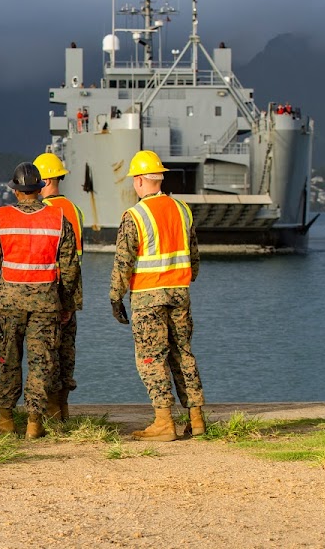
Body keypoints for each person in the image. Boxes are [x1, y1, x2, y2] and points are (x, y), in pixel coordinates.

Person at [0, 163, 80, 438]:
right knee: (41, 363)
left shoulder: (0, 219)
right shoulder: (59, 220)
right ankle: (35, 422)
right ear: (40, 188)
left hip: (8, 303)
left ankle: (6, 419)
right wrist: (68, 305)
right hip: (46, 304)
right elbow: (70, 269)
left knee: (8, 360)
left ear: (16, 191)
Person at [110, 150, 206, 442]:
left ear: (139, 181)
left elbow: (123, 261)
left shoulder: (135, 215)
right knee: (183, 353)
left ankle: (164, 421)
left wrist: (116, 296)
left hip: (147, 298)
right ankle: (197, 418)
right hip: (180, 293)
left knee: (151, 358)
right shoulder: (182, 209)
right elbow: (194, 258)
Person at [33, 152, 84, 420]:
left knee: (47, 350)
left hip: (50, 291)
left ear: (45, 179)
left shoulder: (47, 211)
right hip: (73, 290)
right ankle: (63, 408)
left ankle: (51, 410)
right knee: (67, 349)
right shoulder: (75, 209)